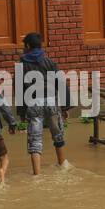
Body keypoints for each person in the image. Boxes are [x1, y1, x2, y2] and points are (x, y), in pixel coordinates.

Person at [17, 32, 67, 175]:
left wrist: (21, 112)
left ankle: (37, 176)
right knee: (58, 136)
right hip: (52, 102)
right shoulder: (49, 62)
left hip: (33, 104)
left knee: (35, 140)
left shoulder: (21, 65)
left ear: (27, 46)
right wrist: (64, 107)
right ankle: (63, 166)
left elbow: (20, 91)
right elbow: (60, 83)